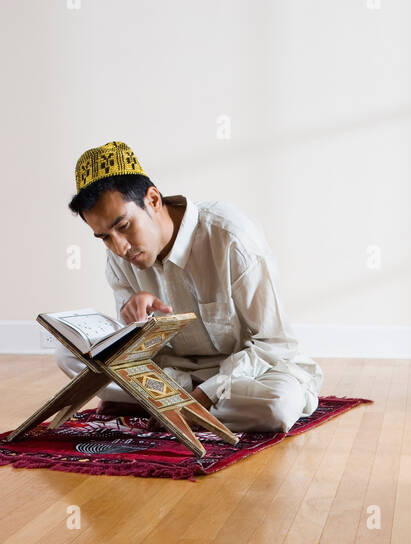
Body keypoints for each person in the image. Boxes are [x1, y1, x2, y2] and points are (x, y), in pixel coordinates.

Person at [57, 140, 323, 434]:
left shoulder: (231, 238)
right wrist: (137, 326)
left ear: (153, 200)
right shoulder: (119, 256)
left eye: (123, 226)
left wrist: (206, 394)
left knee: (275, 406)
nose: (119, 246)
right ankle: (166, 403)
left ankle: (152, 403)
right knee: (70, 354)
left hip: (245, 373)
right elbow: (135, 353)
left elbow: (276, 344)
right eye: (104, 236)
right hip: (172, 371)